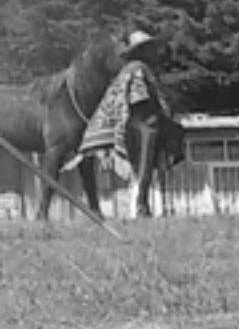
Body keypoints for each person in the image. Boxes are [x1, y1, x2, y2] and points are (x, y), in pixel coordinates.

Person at [72, 24, 181, 217]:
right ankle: (141, 206)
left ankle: (141, 205)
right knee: (143, 169)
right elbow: (139, 100)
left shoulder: (131, 70)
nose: (154, 52)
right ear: (141, 51)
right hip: (142, 125)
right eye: (149, 48)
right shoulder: (137, 69)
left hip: (138, 124)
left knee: (141, 170)